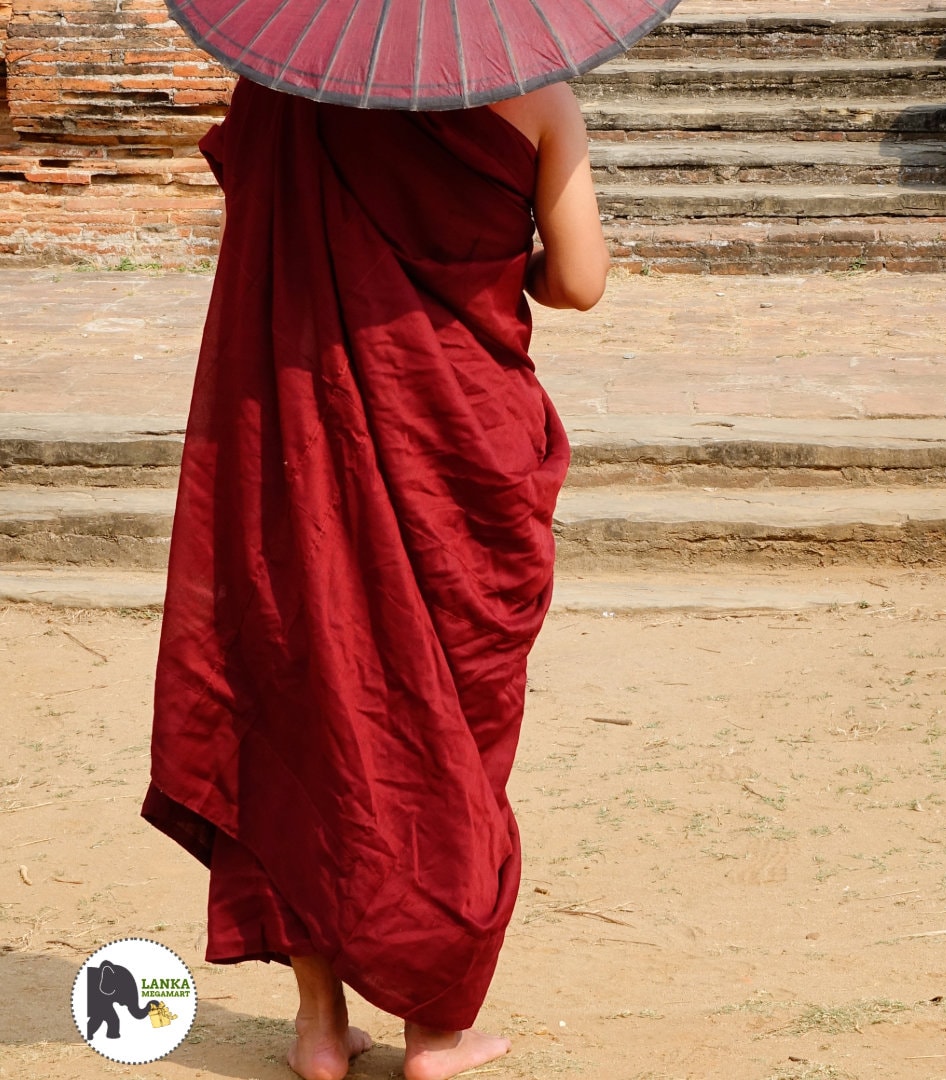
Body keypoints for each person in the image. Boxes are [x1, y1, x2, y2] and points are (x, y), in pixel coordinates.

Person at [142, 73, 609, 1080]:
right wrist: (490, 265)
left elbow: (266, 226)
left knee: (310, 702)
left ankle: (318, 1026)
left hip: (306, 438)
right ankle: (436, 1030)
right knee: (451, 727)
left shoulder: (285, 87)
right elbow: (580, 280)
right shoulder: (536, 97)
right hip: (463, 442)